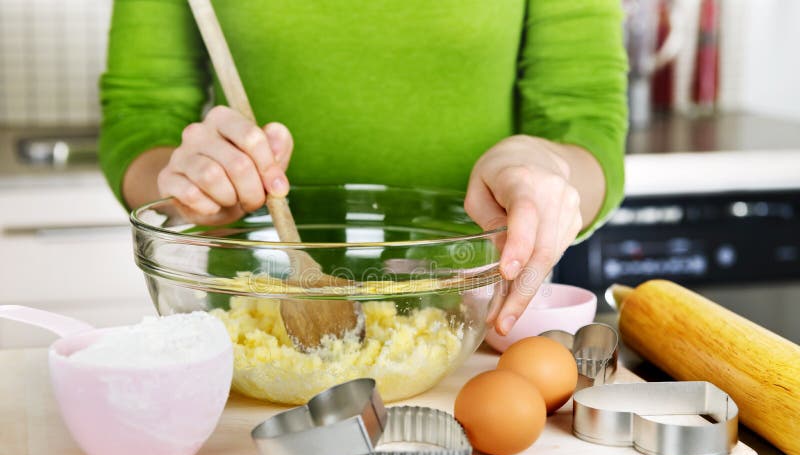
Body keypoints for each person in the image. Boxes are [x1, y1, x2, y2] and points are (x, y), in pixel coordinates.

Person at [99, 0, 628, 336]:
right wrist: (195, 179)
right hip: (247, 321)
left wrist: (544, 166)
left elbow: (588, 125)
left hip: (475, 329)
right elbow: (138, 120)